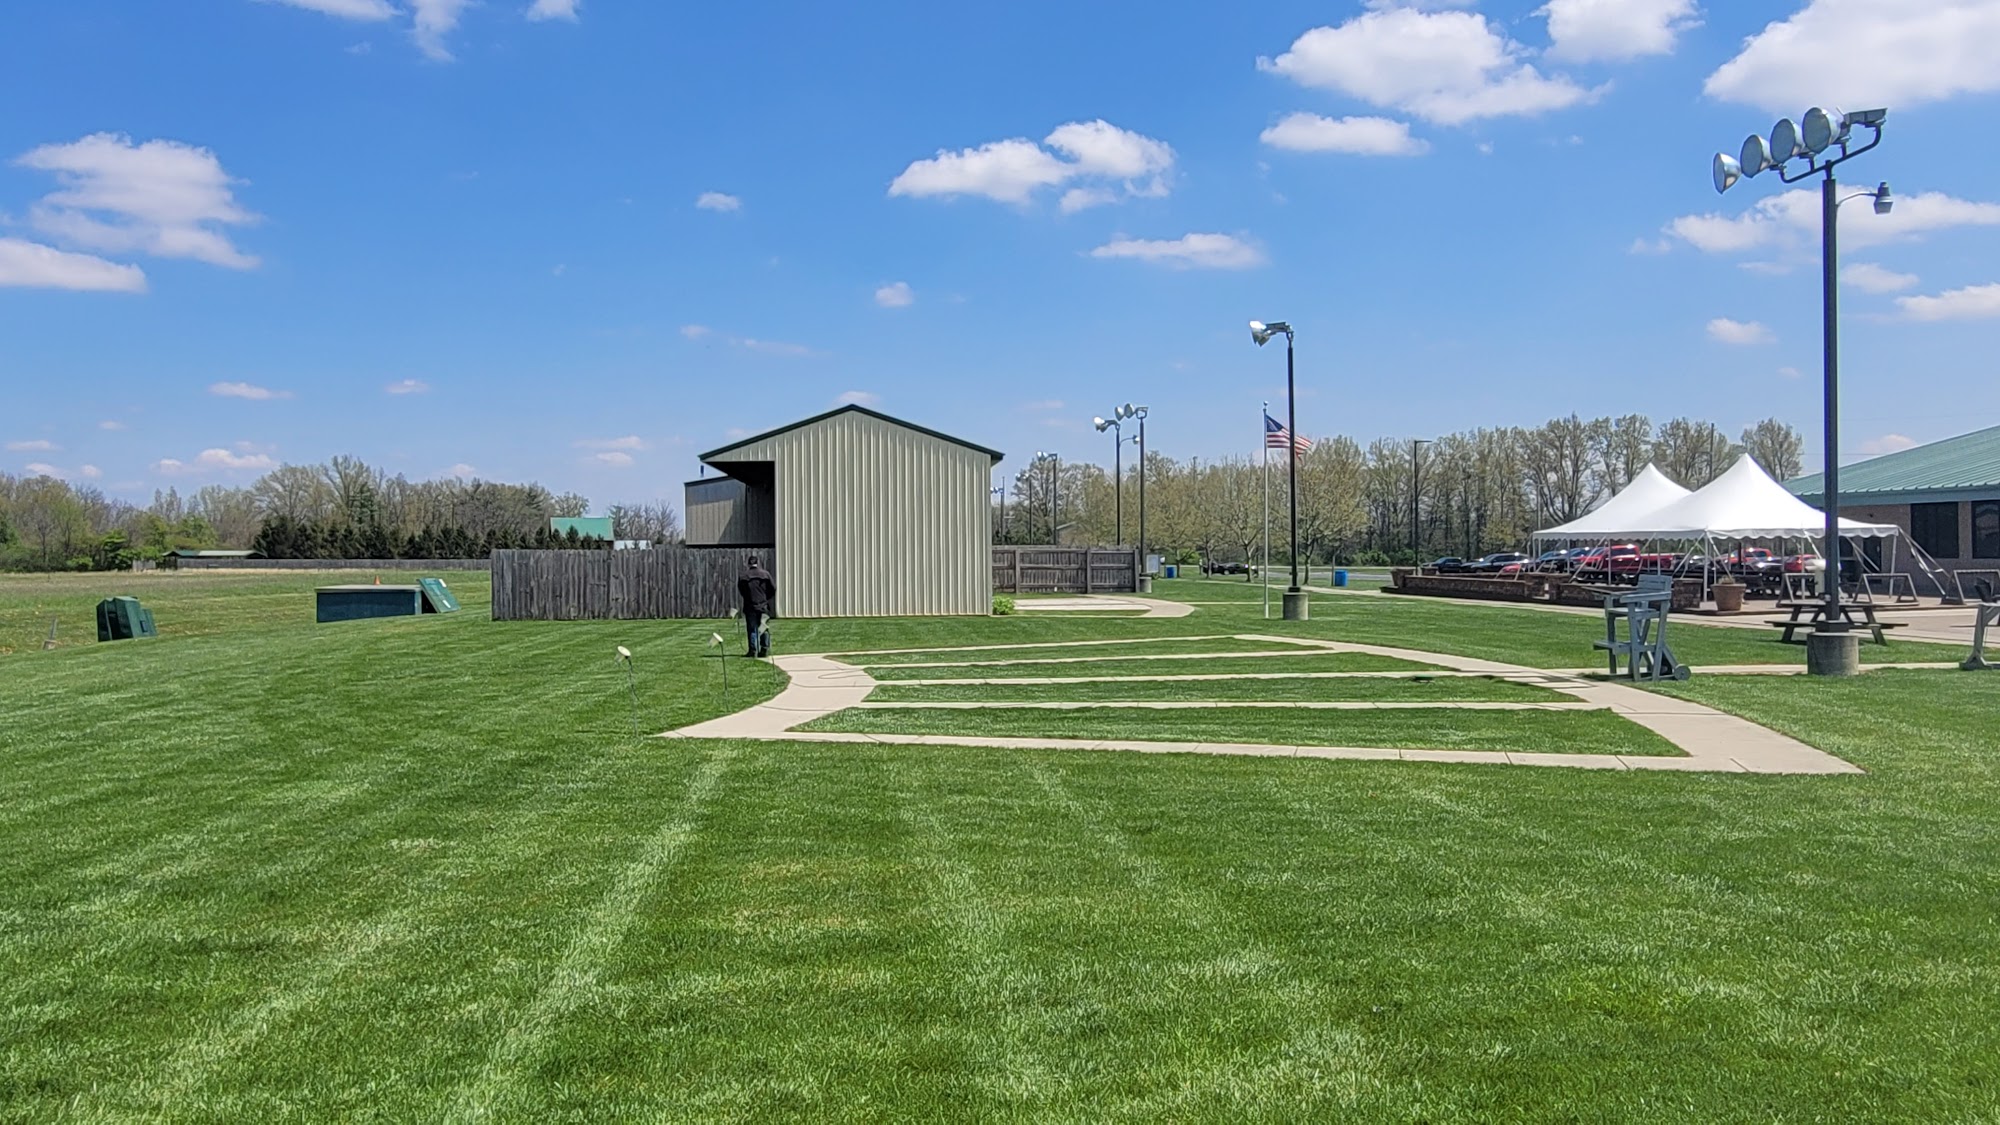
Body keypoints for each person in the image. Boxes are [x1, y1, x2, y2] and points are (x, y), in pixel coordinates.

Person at [738, 556, 776, 657]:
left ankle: (753, 650)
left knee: (752, 628)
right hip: (763, 605)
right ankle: (764, 649)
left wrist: (748, 598)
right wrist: (766, 598)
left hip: (750, 606)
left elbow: (741, 591)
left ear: (748, 563)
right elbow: (773, 589)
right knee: (763, 627)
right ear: (757, 563)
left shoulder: (743, 576)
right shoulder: (765, 574)